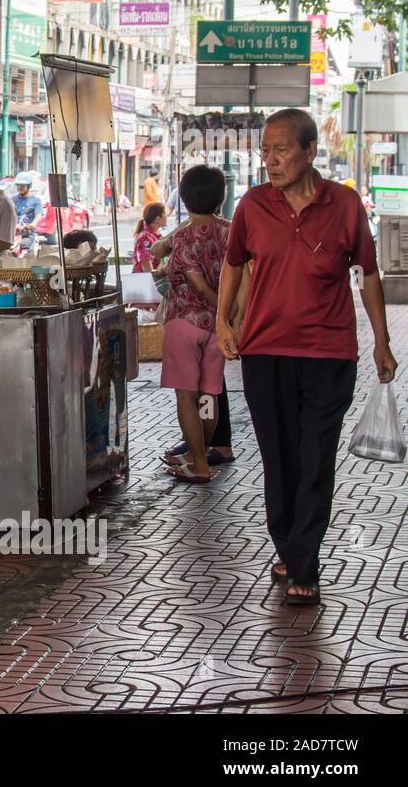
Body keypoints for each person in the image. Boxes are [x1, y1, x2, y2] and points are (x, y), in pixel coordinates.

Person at [217, 108, 397, 606]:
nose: (269, 161)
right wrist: (221, 321)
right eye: (264, 152)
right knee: (280, 460)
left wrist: (382, 340)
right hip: (265, 353)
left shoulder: (344, 205)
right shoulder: (253, 206)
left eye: (280, 150)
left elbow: (369, 274)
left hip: (328, 354)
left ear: (310, 150)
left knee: (315, 459)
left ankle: (304, 563)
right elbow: (234, 265)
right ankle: (291, 546)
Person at [158, 166, 233, 483]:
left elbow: (199, 285)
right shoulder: (230, 231)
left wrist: (217, 308)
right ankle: (196, 455)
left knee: (187, 396)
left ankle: (199, 462)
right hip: (217, 330)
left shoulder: (184, 235)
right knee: (209, 394)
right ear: (222, 197)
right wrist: (226, 317)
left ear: (184, 198)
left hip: (185, 324)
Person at [11, 173, 43, 253]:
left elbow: (38, 215)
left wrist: (33, 224)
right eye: (18, 185)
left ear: (29, 186)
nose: (19, 187)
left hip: (27, 234)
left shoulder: (36, 201)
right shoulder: (12, 200)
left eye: (22, 185)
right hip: (12, 234)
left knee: (24, 247)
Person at [131, 203, 166, 272]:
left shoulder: (157, 236)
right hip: (143, 280)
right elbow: (146, 265)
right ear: (158, 219)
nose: (166, 216)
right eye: (164, 213)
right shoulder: (144, 237)